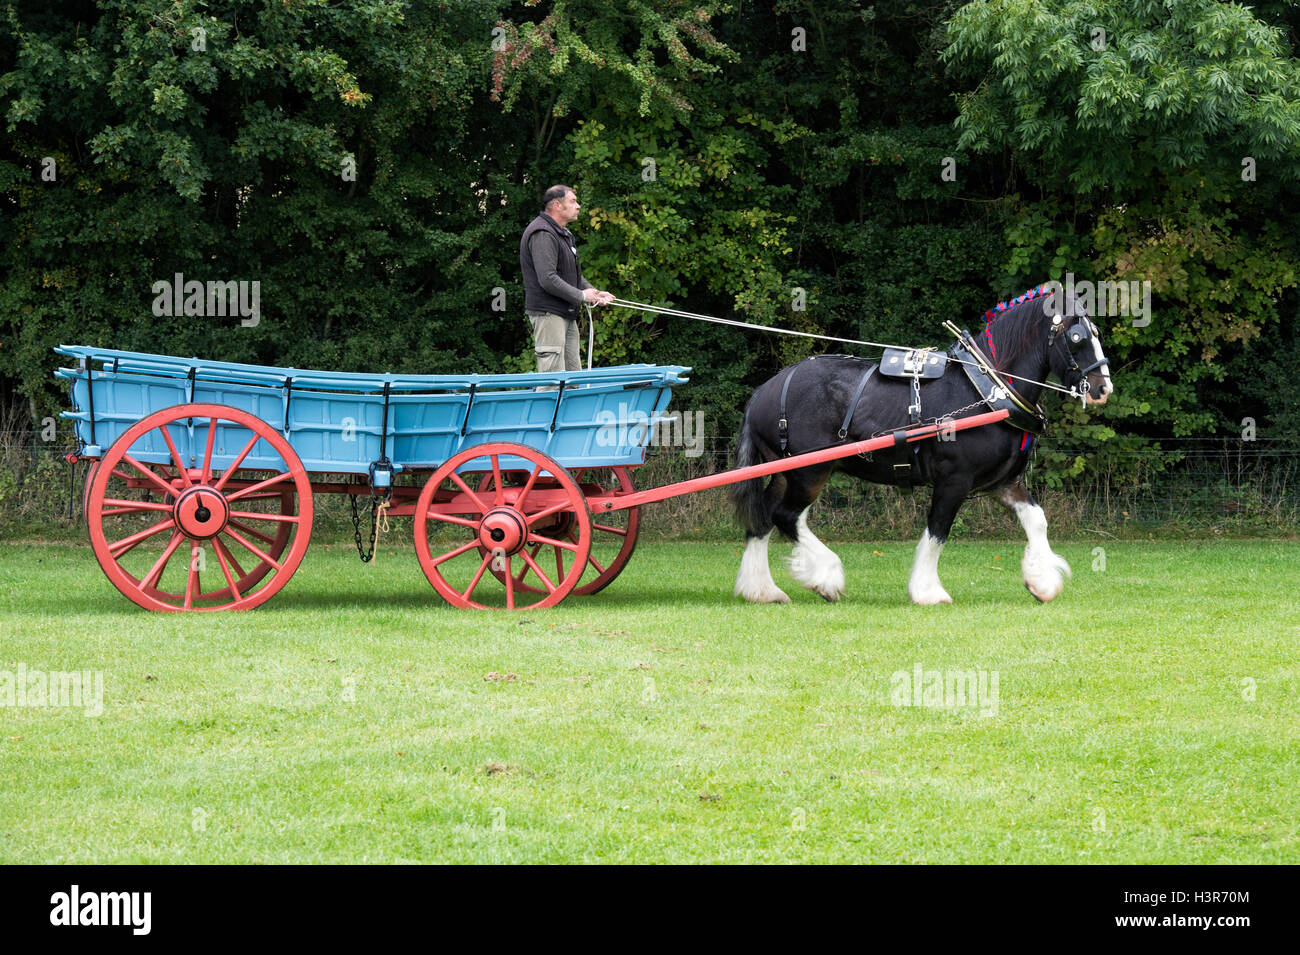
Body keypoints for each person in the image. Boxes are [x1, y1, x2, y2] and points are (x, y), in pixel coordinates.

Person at [519, 185, 614, 372]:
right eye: (572, 201)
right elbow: (547, 279)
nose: (578, 206)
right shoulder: (543, 233)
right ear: (557, 205)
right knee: (553, 380)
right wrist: (581, 296)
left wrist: (593, 292)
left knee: (573, 377)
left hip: (565, 313)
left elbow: (573, 275)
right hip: (548, 313)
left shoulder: (564, 233)